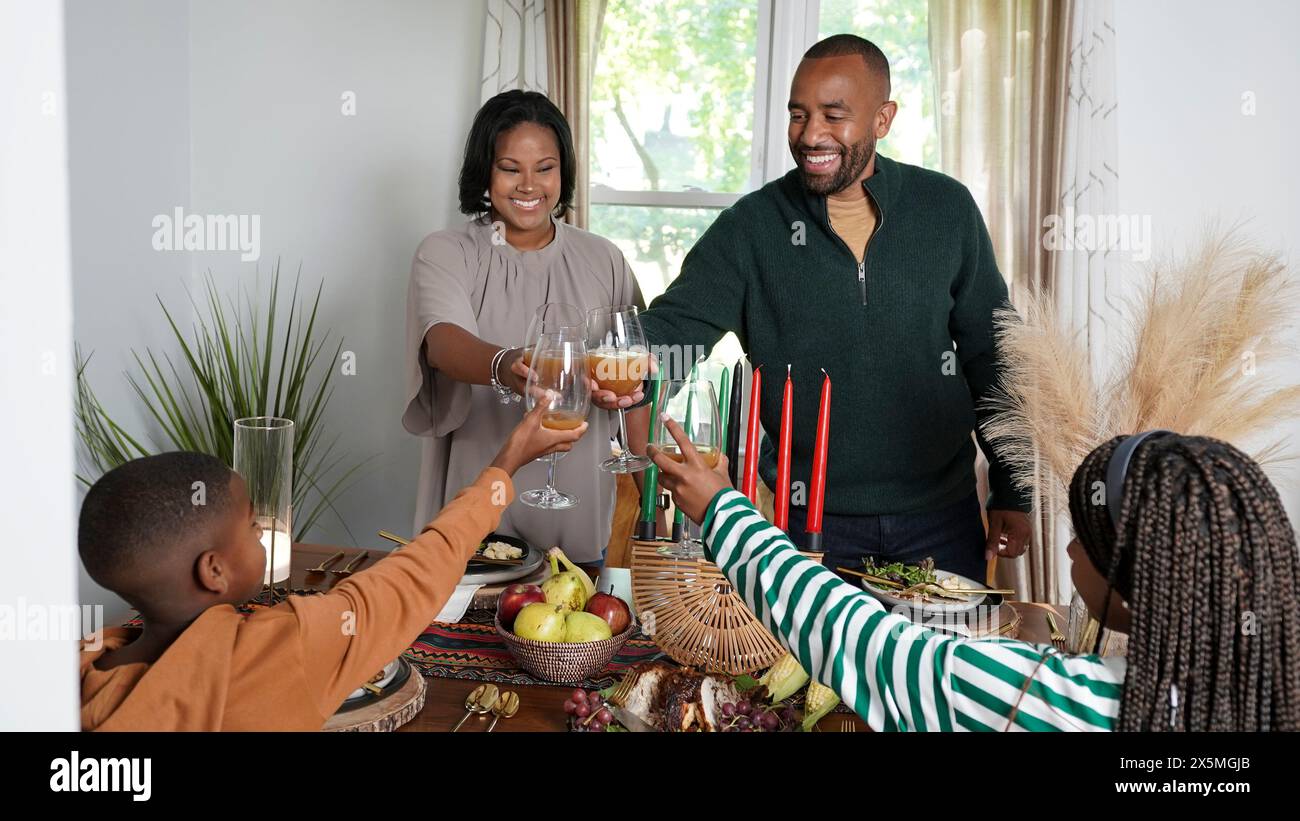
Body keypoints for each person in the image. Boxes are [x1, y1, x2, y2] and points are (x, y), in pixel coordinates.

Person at [628, 34, 1031, 582]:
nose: (811, 134)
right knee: (808, 671)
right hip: (807, 526)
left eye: (833, 115)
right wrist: (617, 359)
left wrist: (1015, 487)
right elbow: (673, 332)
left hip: (943, 520)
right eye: (799, 115)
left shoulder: (946, 210)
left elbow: (993, 356)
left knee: (938, 670)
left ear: (882, 119)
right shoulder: (751, 228)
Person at [650, 417, 1300, 731]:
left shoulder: (1067, 704)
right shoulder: (1266, 692)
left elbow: (862, 642)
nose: (1070, 549)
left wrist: (723, 509)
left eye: (1086, 536)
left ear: (1136, 577)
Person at [79, 400, 585, 730]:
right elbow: (408, 582)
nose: (263, 534)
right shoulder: (276, 650)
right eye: (253, 527)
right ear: (213, 572)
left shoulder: (81, 669)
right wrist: (504, 467)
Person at [404, 89, 647, 564]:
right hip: (472, 530)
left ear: (564, 172)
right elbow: (442, 343)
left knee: (576, 636)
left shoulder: (604, 258)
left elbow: (635, 378)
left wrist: (656, 501)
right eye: (510, 168)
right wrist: (505, 363)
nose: (529, 184)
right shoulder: (447, 252)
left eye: (546, 168)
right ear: (485, 172)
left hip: (578, 532)